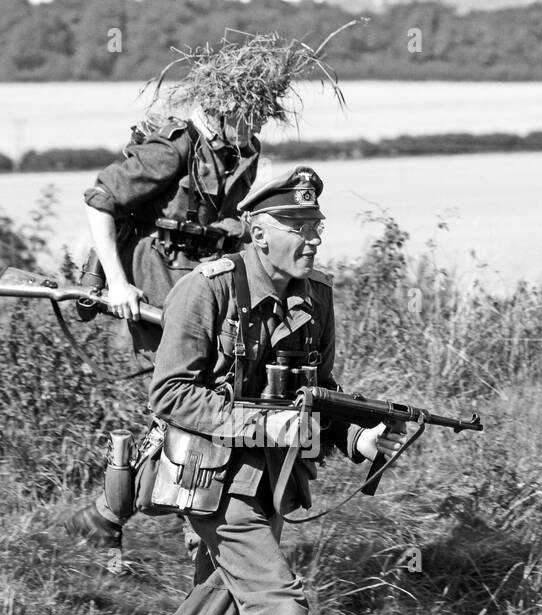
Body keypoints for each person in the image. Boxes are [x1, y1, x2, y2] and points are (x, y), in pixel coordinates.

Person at [73, 167, 409, 615]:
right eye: (299, 227)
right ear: (259, 231)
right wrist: (265, 424)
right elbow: (170, 394)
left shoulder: (317, 298)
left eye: (317, 227)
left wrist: (355, 440)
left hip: (272, 486)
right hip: (211, 479)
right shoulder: (208, 290)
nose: (312, 239)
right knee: (278, 605)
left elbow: (321, 398)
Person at [63, 31, 350, 551]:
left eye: (262, 117)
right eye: (250, 114)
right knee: (181, 402)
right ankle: (162, 520)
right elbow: (99, 203)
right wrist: (120, 283)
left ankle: (120, 515)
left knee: (221, 392)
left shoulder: (242, 149)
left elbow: (230, 221)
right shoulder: (172, 149)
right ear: (221, 108)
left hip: (216, 292)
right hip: (161, 286)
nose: (257, 126)